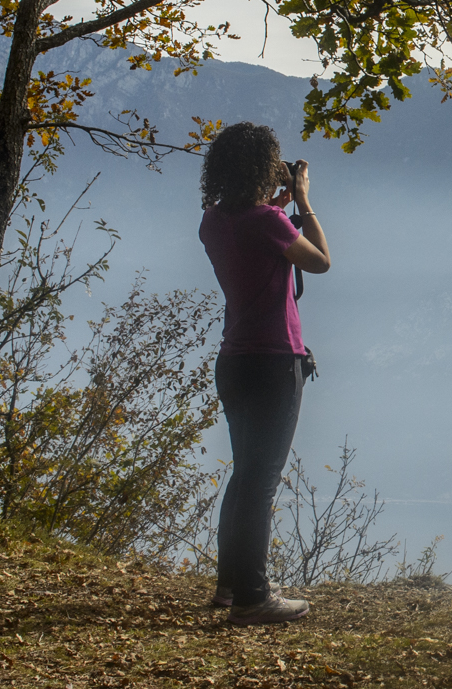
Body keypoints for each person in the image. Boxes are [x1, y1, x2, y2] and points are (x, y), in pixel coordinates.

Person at [197, 122, 332, 626]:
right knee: (262, 481)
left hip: (234, 361)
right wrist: (304, 201)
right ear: (261, 167)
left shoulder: (213, 221)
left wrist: (276, 202)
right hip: (275, 361)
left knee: (245, 475)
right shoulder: (269, 222)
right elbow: (319, 262)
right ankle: (254, 597)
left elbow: (252, 227)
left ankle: (229, 586)